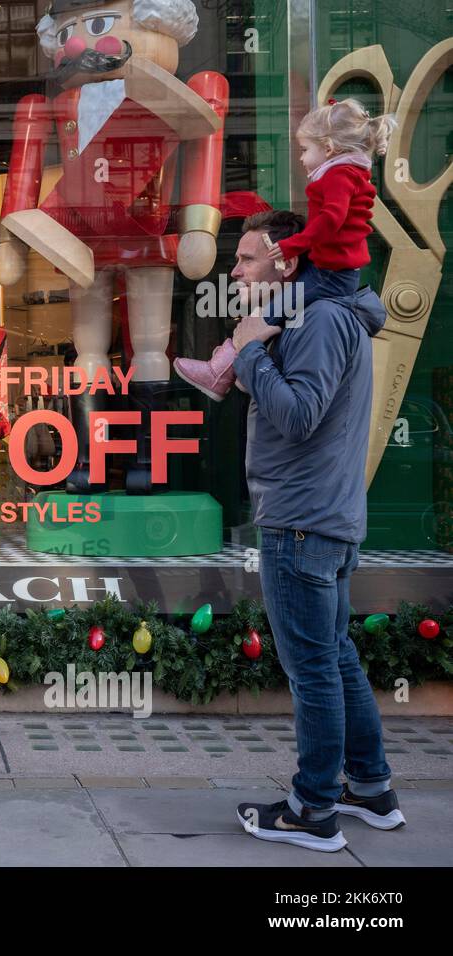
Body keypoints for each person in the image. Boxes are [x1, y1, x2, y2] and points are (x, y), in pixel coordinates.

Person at [219, 213, 401, 853]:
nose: (235, 271)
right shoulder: (320, 317)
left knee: (314, 668)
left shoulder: (321, 321)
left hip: (301, 523)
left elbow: (297, 415)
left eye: (246, 259)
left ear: (286, 263)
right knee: (335, 654)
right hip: (320, 517)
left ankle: (312, 810)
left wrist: (247, 352)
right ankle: (371, 790)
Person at [175, 98, 396, 399]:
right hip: (331, 270)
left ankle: (219, 373)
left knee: (271, 312)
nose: (302, 159)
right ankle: (237, 370)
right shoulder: (343, 176)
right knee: (274, 311)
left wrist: (293, 244)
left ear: (328, 148)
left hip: (329, 274)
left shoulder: (338, 178)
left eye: (305, 150)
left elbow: (332, 219)